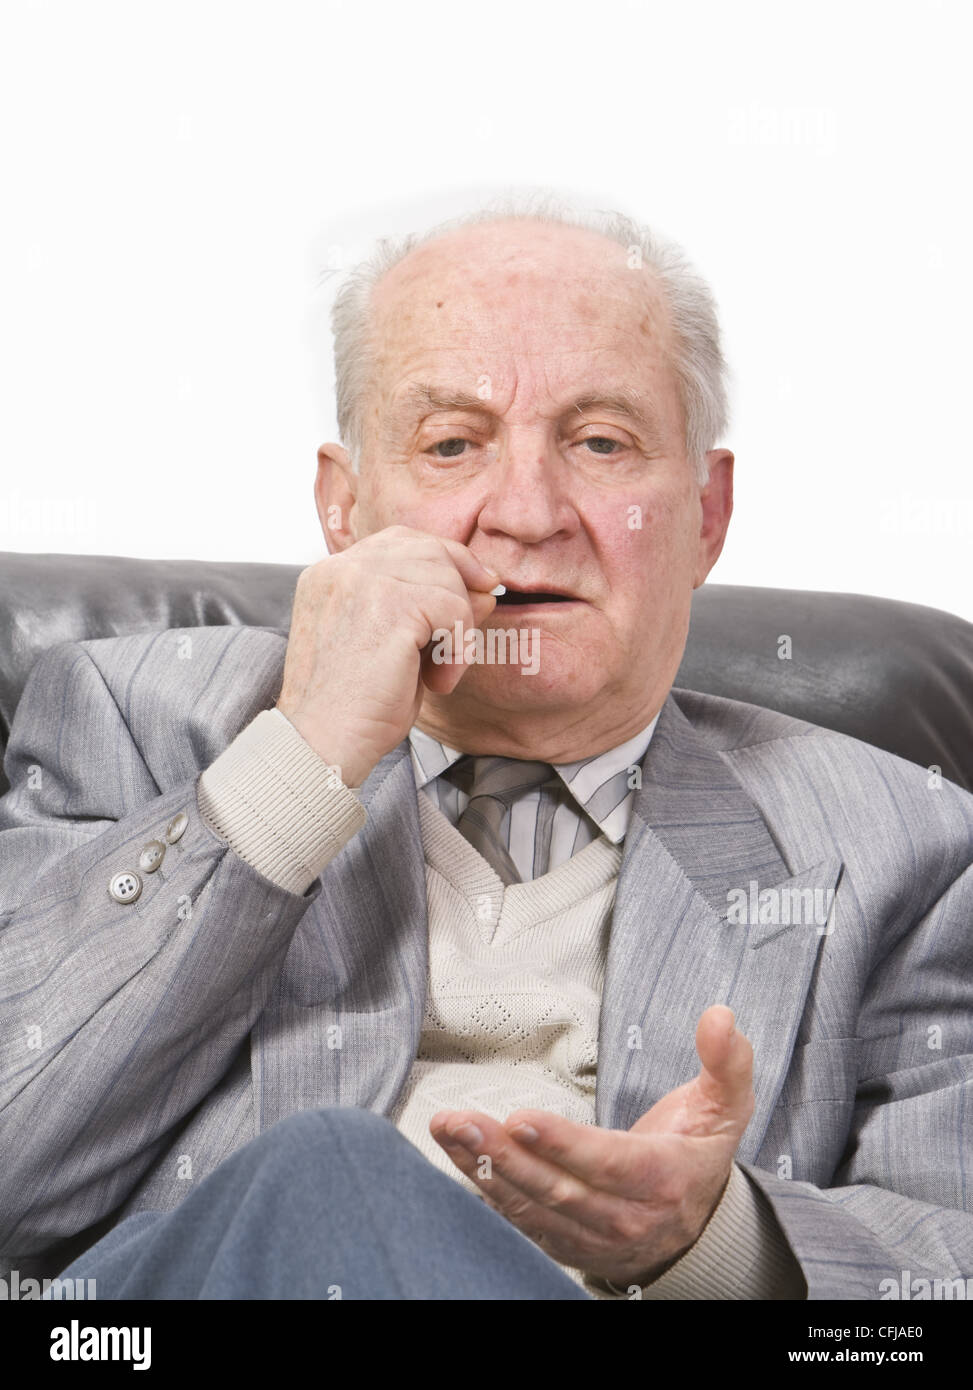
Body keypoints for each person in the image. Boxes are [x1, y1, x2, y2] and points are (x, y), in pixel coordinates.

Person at [1, 193, 971, 1301]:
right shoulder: (132, 723)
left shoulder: (912, 850)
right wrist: (300, 757)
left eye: (600, 442)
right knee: (333, 1178)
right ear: (346, 507)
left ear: (706, 514)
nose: (525, 510)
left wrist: (711, 1243)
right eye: (453, 443)